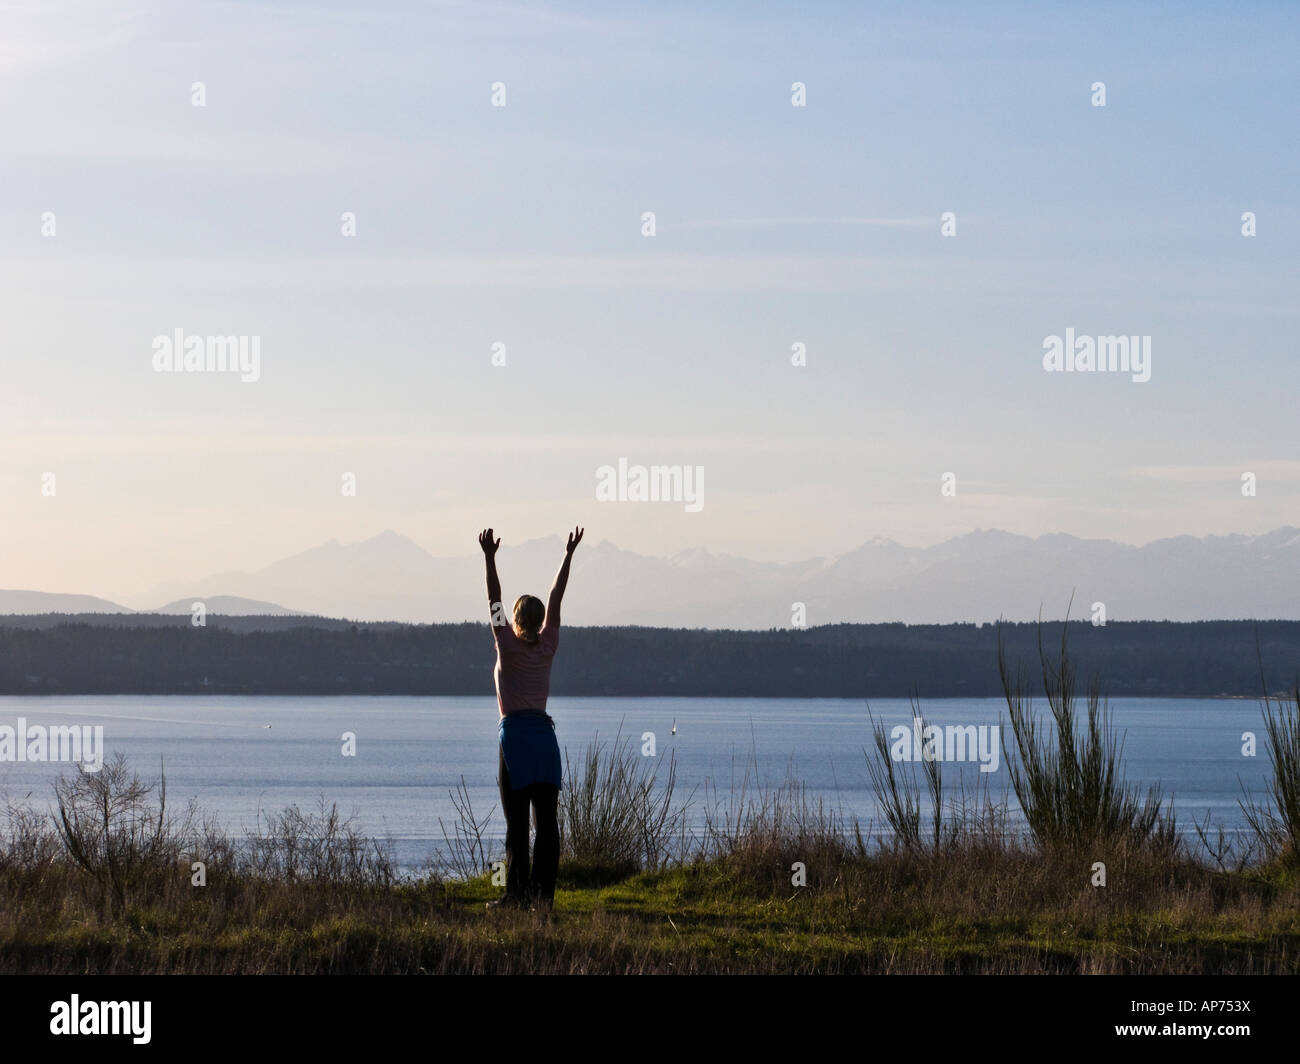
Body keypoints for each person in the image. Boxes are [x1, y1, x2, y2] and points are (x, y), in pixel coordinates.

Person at [479, 525, 583, 913]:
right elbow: (557, 596)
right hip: (545, 741)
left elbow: (494, 599)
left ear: (516, 620)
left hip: (516, 742)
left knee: (516, 826)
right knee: (548, 827)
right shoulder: (550, 644)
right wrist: (567, 555)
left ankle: (512, 896)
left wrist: (490, 558)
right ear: (539, 622)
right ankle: (544, 897)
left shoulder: (505, 643)